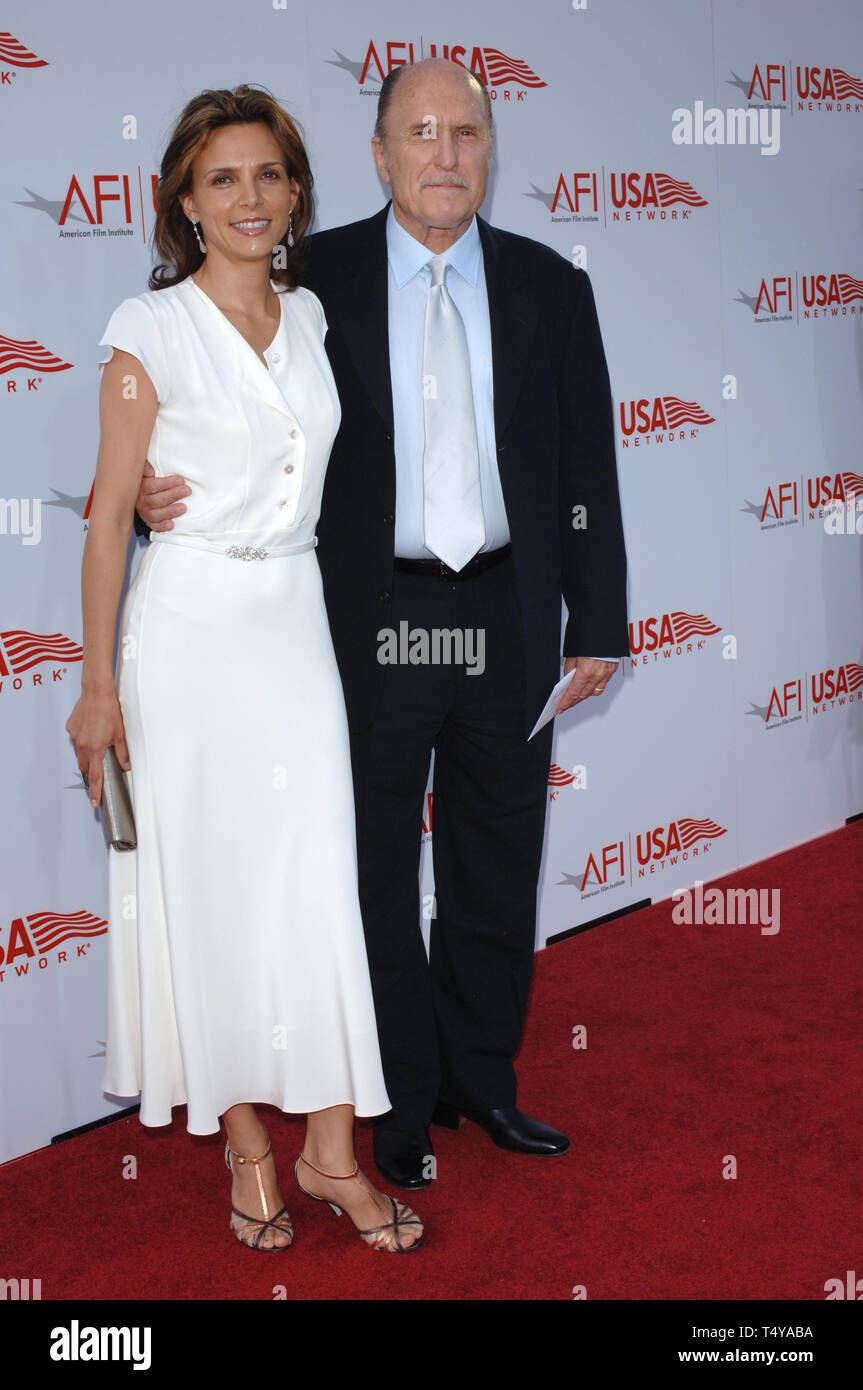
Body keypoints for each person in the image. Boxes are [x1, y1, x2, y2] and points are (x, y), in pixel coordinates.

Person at [135, 59, 629, 1192]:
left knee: (497, 859)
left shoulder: (553, 286)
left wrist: (595, 616)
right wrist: (158, 479)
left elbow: (584, 466)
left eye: (466, 132)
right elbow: (200, 362)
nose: (445, 154)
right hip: (369, 619)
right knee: (366, 871)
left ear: (489, 149)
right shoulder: (314, 276)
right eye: (420, 132)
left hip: (504, 611)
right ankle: (397, 1102)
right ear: (377, 155)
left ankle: (481, 1082)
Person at [65, 84, 423, 1252]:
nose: (250, 197)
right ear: (183, 197)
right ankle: (249, 1146)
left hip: (291, 621)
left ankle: (330, 1151)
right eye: (223, 178)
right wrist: (98, 688)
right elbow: (112, 518)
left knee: (317, 886)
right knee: (209, 892)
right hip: (188, 635)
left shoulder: (313, 315)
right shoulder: (146, 329)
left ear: (297, 188)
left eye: (268, 174)